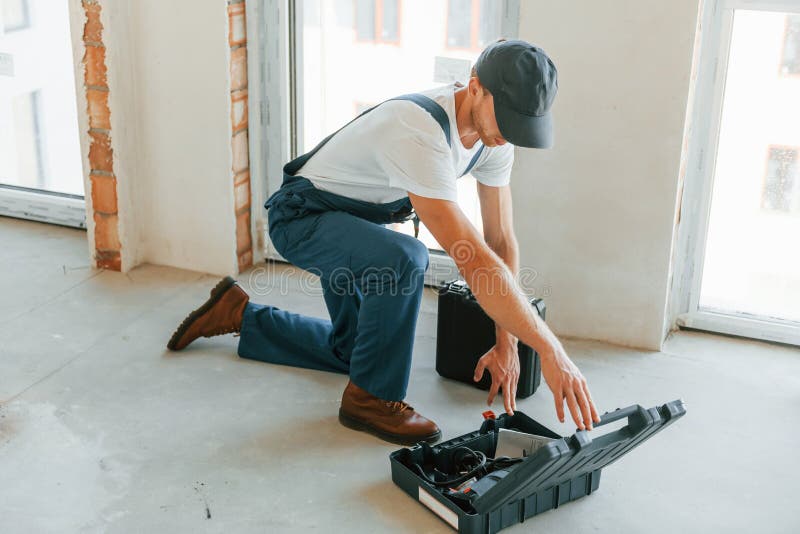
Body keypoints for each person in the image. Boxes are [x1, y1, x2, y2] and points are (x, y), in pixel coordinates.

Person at [167, 40, 600, 445]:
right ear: (475, 88)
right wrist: (551, 349)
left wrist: (507, 344)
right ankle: (370, 400)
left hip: (353, 224)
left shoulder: (494, 140)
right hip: (302, 218)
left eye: (522, 126)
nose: (509, 135)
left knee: (354, 353)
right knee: (404, 259)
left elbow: (501, 241)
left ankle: (238, 312)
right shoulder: (421, 131)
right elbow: (473, 259)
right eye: (506, 119)